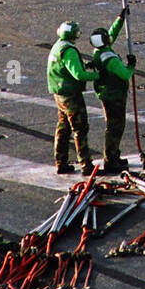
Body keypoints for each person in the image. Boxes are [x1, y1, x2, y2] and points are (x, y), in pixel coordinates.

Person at [88, 9, 136, 174]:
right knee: (115, 127)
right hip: (114, 95)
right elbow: (125, 74)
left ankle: (113, 156)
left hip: (105, 93)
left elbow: (111, 35)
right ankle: (111, 159)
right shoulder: (111, 59)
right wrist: (131, 65)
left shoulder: (99, 52)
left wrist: (119, 19)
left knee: (112, 125)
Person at [47, 19, 97, 175]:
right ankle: (86, 165)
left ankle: (60, 162)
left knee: (63, 127)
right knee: (80, 128)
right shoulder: (69, 50)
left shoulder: (58, 46)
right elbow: (78, 75)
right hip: (70, 95)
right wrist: (98, 75)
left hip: (59, 93)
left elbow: (66, 67)